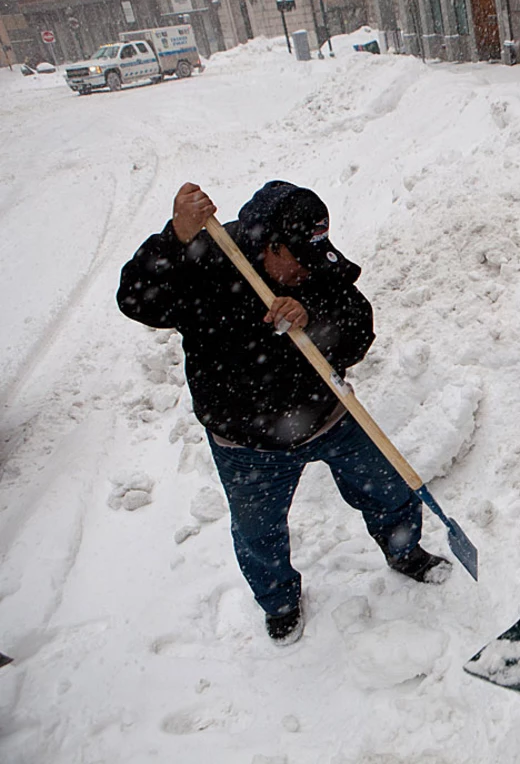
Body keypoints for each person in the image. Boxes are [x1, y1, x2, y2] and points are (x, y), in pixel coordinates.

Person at [118, 181, 450, 645]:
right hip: (247, 443)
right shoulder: (207, 260)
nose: (307, 271)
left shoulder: (313, 270)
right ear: (270, 245)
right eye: (299, 261)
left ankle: (405, 551)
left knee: (387, 490)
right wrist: (174, 236)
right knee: (259, 534)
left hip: (330, 417)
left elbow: (359, 326)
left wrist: (311, 313)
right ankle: (279, 602)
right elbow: (136, 300)